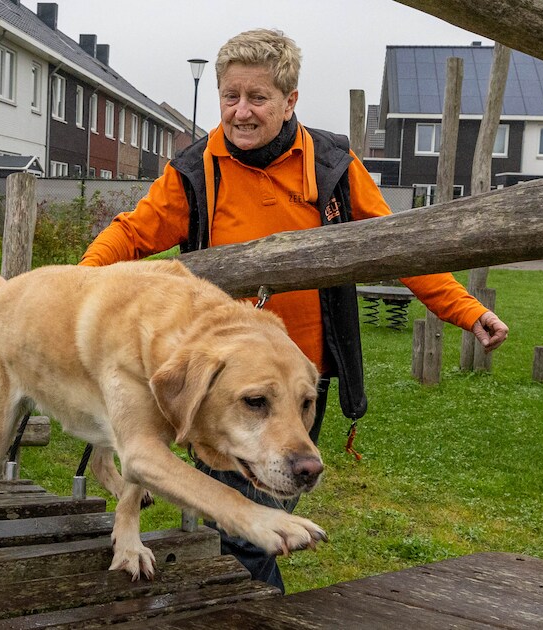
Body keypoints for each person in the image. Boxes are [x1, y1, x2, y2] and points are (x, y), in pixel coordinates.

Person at [79, 28, 509, 591]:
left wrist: (466, 310)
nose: (241, 111)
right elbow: (132, 233)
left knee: (275, 493)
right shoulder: (195, 169)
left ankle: (237, 591)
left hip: (304, 379)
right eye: (231, 96)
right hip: (227, 382)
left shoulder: (331, 165)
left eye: (257, 98)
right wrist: (77, 287)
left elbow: (396, 245)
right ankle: (257, 604)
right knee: (244, 524)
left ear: (289, 101)